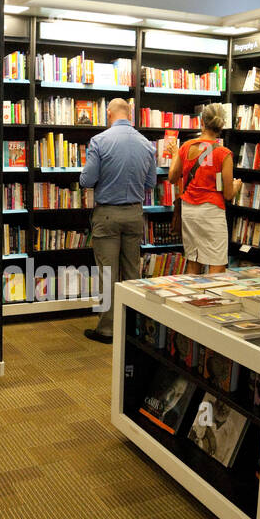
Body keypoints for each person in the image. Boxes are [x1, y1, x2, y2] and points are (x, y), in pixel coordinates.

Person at [79, 97, 156, 343]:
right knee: (132, 272)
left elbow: (87, 181)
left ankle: (108, 329)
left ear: (110, 113)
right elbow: (151, 183)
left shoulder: (100, 141)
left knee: (108, 273)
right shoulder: (147, 145)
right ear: (129, 113)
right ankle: (132, 328)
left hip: (108, 214)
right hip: (135, 214)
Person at [169, 103, 240, 274]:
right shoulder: (224, 154)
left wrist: (174, 154)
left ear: (202, 122)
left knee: (194, 260)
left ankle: (188, 299)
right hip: (211, 211)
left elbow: (172, 177)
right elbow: (229, 194)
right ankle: (212, 301)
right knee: (217, 264)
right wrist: (237, 185)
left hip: (189, 211)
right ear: (221, 125)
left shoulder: (186, 147)